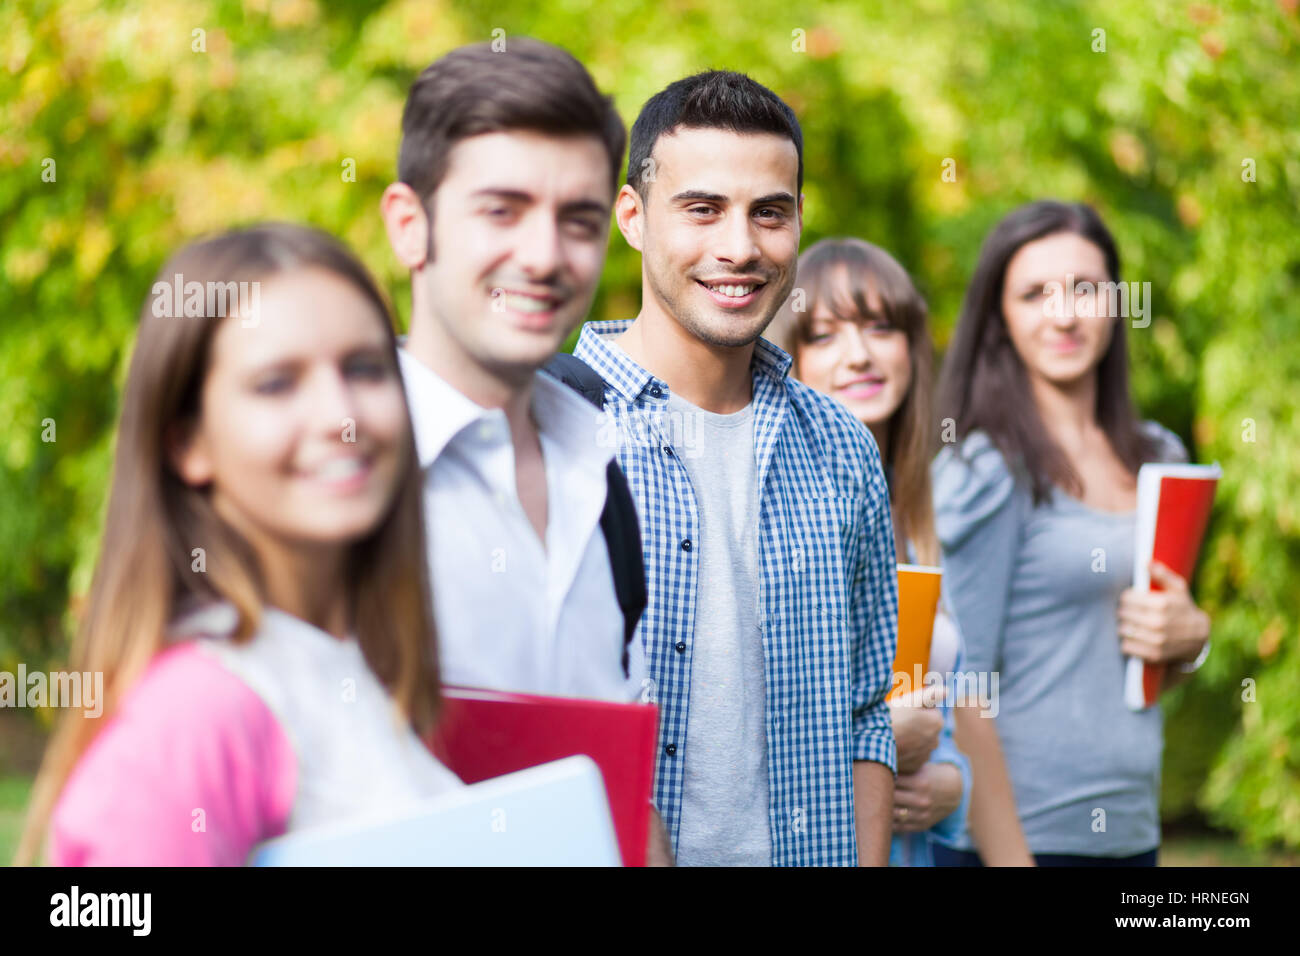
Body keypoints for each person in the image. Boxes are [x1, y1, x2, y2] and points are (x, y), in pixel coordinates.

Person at [15, 224, 461, 866]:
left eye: (365, 369)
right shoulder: (197, 713)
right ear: (187, 442)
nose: (341, 415)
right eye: (277, 383)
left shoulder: (347, 666)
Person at [572, 70, 898, 866]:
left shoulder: (843, 446)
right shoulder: (554, 431)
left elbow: (867, 713)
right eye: (703, 208)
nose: (740, 247)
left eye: (769, 212)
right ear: (632, 217)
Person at [930, 200, 1211, 866]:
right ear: (1001, 318)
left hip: (1132, 832)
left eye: (1084, 289)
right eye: (1034, 294)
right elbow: (961, 687)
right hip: (1025, 843)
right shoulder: (985, 470)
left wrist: (1191, 640)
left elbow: (1133, 659)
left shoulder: (1161, 458)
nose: (1063, 315)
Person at [380, 38, 646, 703]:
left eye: (579, 221)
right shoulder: (329, 472)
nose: (544, 256)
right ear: (410, 225)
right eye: (502, 210)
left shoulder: (602, 480)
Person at [768, 237, 1033, 866]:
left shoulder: (916, 513)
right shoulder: (780, 514)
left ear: (912, 346)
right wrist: (879, 742)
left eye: (880, 327)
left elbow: (951, 714)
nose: (859, 354)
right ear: (787, 358)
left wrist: (950, 785)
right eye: (824, 335)